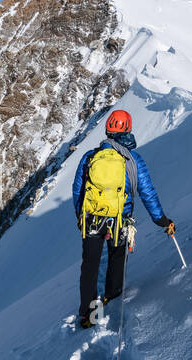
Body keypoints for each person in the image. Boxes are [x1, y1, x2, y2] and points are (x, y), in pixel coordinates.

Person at [71, 109, 175, 329]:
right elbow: (147, 193)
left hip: (92, 217)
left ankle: (89, 314)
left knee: (90, 264)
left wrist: (81, 215)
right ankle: (112, 295)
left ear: (108, 130)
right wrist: (162, 220)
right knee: (117, 256)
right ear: (127, 130)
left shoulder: (90, 157)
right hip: (120, 219)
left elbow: (77, 189)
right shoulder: (134, 160)